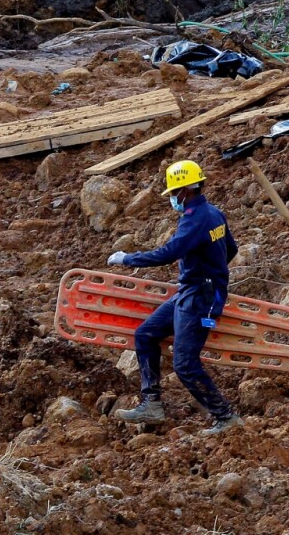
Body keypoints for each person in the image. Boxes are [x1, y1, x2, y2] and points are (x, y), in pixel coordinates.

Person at [106, 159, 242, 436]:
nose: (171, 200)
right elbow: (231, 249)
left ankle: (225, 417)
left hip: (200, 298)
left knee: (185, 364)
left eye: (172, 194)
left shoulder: (194, 220)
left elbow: (169, 252)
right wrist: (209, 270)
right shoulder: (214, 213)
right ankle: (151, 403)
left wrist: (128, 258)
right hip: (192, 290)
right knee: (145, 335)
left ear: (183, 191)